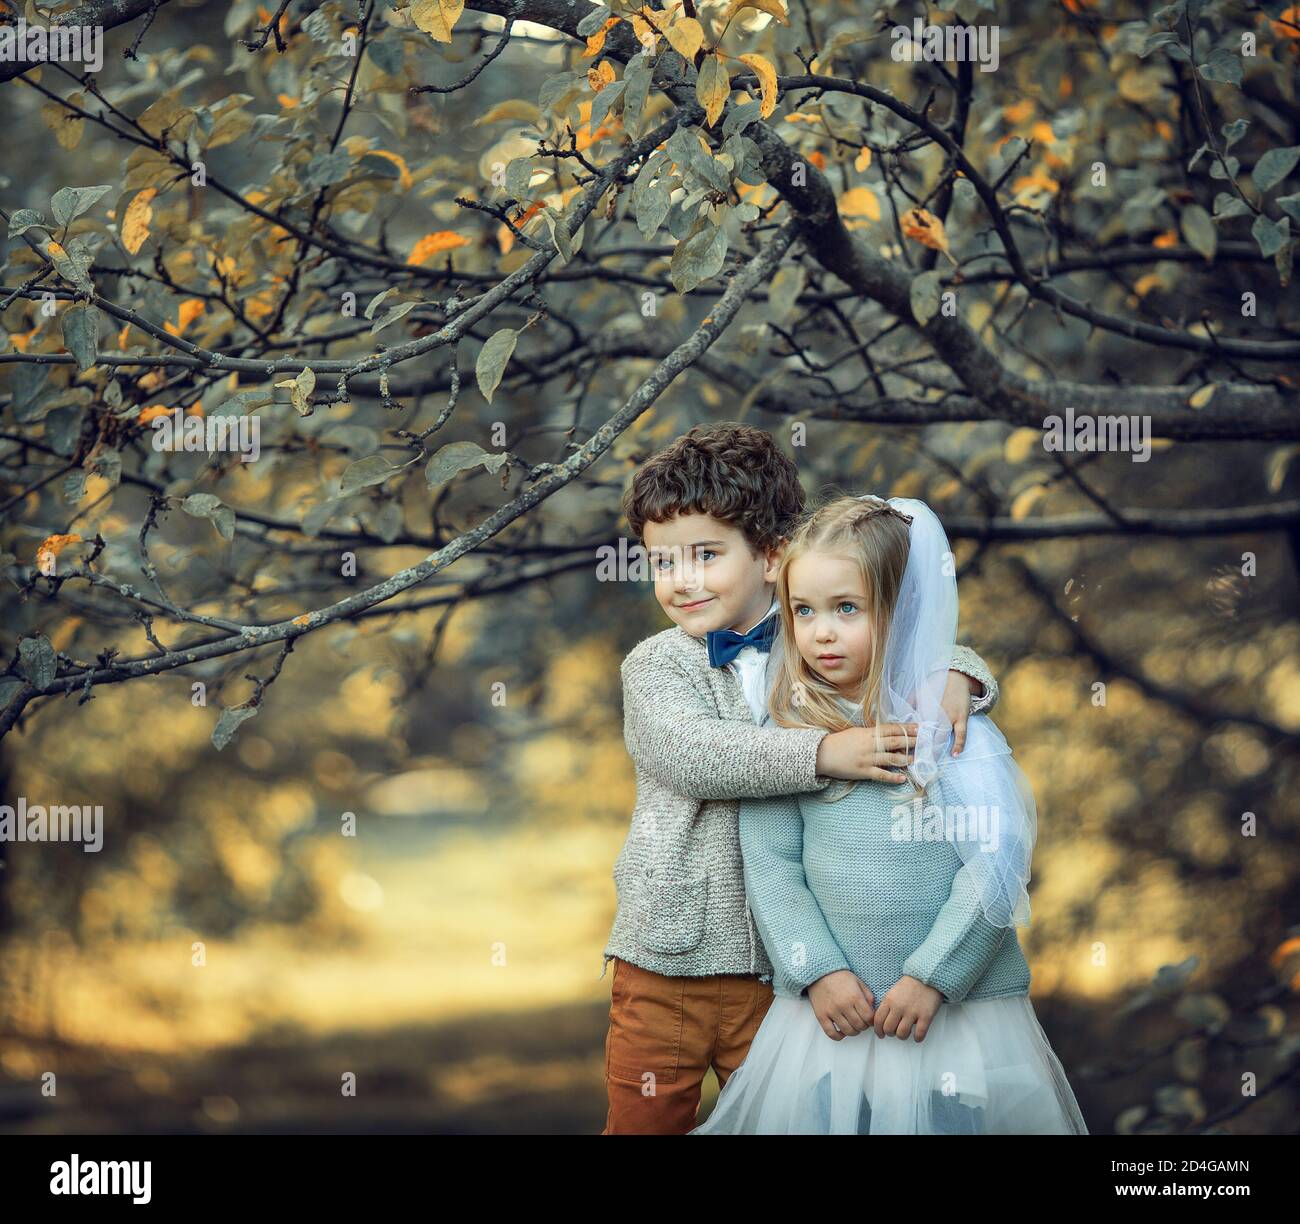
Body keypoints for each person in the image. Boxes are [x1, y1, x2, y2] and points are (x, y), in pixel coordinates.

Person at [601, 424, 1002, 1134]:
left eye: (705, 555)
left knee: (794, 1122)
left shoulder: (813, 637)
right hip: (674, 961)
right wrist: (825, 753)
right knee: (646, 1122)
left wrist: (958, 673)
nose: (682, 579)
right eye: (663, 562)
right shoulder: (659, 665)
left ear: (771, 556)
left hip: (790, 968)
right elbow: (696, 754)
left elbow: (900, 633)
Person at [690, 494, 1088, 1134]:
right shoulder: (791, 735)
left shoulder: (949, 730)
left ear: (901, 609)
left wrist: (934, 975)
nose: (820, 631)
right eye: (802, 610)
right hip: (832, 1016)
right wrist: (816, 970)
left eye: (847, 608)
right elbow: (771, 869)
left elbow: (995, 859)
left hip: (957, 1015)